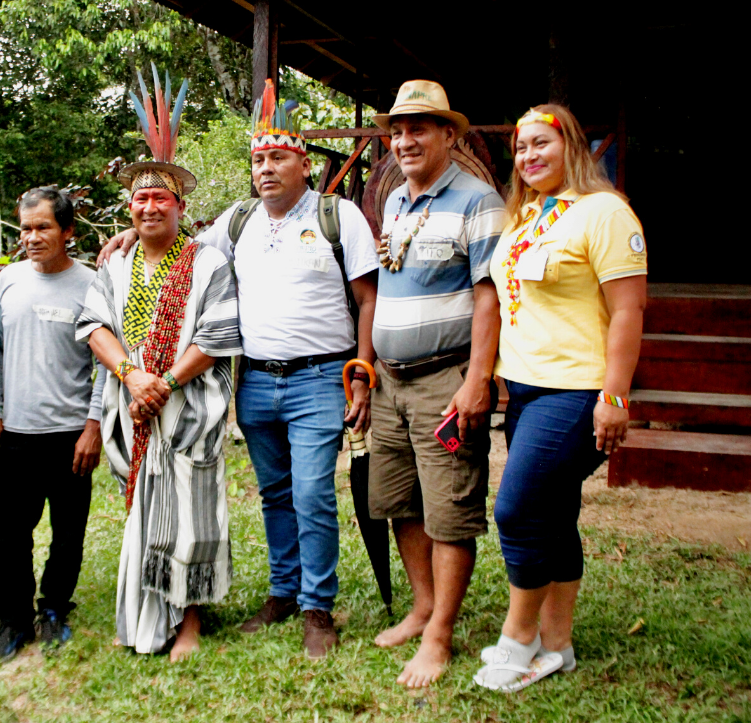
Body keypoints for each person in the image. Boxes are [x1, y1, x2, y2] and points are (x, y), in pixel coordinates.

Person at [101, 79, 380, 659]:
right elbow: (182, 248)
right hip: (255, 381)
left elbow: (368, 299)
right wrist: (136, 227)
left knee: (311, 494)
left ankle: (317, 607)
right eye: (257, 160)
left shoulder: (338, 216)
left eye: (278, 157)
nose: (266, 169)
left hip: (318, 377)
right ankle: (282, 592)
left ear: (303, 162)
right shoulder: (237, 221)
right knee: (275, 494)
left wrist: (361, 371)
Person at [473, 105, 646, 692]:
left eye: (541, 144)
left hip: (576, 390)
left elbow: (628, 310)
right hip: (524, 390)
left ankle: (517, 640)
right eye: (520, 149)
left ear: (571, 144)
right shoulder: (525, 217)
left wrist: (615, 398)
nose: (529, 157)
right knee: (554, 513)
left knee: (517, 511)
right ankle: (558, 643)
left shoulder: (605, 212)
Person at [77, 66, 242, 662]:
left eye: (161, 197)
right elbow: (93, 327)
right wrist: (133, 378)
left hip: (188, 410)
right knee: (143, 513)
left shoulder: (206, 263)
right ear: (129, 207)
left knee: (194, 514)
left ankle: (191, 620)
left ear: (179, 205)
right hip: (134, 409)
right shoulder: (114, 266)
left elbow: (218, 335)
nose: (150, 206)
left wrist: (164, 381)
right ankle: (145, 612)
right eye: (140, 197)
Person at [365, 80, 505, 687]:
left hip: (445, 380)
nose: (405, 140)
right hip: (390, 383)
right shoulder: (395, 202)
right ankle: (422, 608)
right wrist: (368, 370)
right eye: (397, 130)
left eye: (419, 128)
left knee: (449, 511)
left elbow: (490, 298)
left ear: (451, 134)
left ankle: (441, 636)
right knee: (399, 501)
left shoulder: (479, 202)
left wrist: (477, 382)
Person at [0, 187, 105, 659]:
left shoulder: (93, 284)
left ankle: (54, 607)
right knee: (12, 535)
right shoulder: (9, 281)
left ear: (67, 231)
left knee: (68, 531)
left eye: (42, 228)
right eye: (25, 228)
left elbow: (102, 364)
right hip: (16, 434)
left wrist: (93, 426)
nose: (31, 238)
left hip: (71, 434)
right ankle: (13, 620)